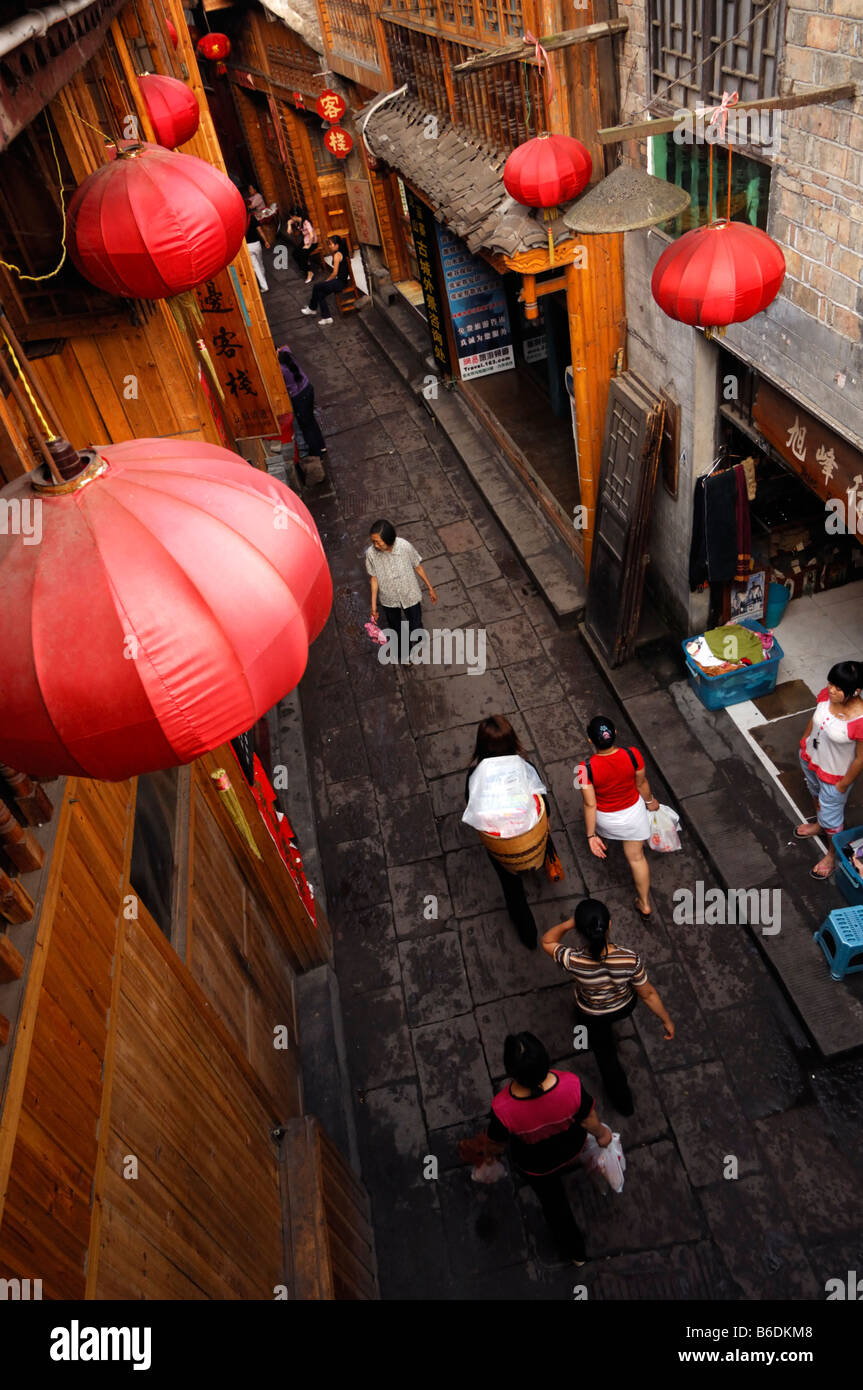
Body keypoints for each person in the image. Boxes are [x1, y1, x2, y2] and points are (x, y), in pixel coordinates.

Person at [485, 1032, 612, 1265]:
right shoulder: (570, 1085)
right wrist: (603, 1134)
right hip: (572, 1145)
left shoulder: (502, 1108)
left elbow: (497, 1142)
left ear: (511, 1071)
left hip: (536, 1164)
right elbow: (588, 1119)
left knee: (555, 1206)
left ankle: (576, 1253)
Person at [542, 898, 674, 1116]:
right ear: (609, 925)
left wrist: (567, 924)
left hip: (592, 1012)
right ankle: (625, 1104)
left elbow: (547, 941)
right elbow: (648, 994)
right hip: (623, 1006)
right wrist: (666, 1019)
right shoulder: (630, 959)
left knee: (606, 1056)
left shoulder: (572, 960)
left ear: (580, 931)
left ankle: (622, 1102)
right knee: (606, 1036)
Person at [464, 715, 560, 950]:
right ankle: (547, 860)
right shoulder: (524, 766)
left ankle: (528, 935)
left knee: (512, 887)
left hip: (503, 846)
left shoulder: (474, 776)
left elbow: (473, 807)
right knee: (543, 833)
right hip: (531, 834)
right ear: (512, 740)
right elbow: (542, 804)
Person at [578, 715, 660, 920]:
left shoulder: (583, 769)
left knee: (604, 831)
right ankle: (645, 903)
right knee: (636, 858)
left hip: (607, 818)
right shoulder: (633, 754)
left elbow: (590, 804)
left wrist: (591, 835)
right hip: (633, 814)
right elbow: (641, 784)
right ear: (615, 733)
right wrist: (650, 801)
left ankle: (604, 838)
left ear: (590, 740)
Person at [796, 660, 863, 880]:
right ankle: (818, 824)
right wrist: (804, 740)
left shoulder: (860, 720)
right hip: (812, 759)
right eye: (831, 683)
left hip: (835, 775)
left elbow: (860, 759)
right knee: (815, 794)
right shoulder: (826, 695)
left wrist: (843, 784)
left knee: (833, 819)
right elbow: (815, 718)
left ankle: (832, 855)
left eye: (839, 688)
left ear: (856, 691)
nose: (832, 690)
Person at [366, 519, 437, 664]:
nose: (375, 545)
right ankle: (405, 655)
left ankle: (417, 638)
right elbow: (374, 579)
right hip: (389, 599)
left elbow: (417, 566)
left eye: (378, 542)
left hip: (410, 594)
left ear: (389, 539)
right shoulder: (371, 554)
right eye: (373, 541)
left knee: (415, 623)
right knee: (397, 629)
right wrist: (373, 605)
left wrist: (430, 587)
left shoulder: (404, 546)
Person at [276, 346, 326, 460]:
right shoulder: (287, 353)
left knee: (306, 427)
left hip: (298, 397)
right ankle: (321, 446)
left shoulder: (279, 369)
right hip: (308, 388)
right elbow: (285, 346)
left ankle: (316, 454)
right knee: (311, 420)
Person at [301, 235, 351, 325]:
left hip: (339, 282)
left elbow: (334, 273)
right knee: (320, 293)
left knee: (317, 286)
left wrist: (327, 281)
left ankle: (312, 308)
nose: (329, 246)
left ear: (337, 245)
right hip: (341, 281)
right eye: (329, 244)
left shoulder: (337, 255)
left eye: (331, 244)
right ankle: (326, 317)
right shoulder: (341, 253)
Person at [287, 209, 318, 283]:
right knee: (294, 254)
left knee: (302, 254)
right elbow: (289, 221)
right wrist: (289, 226)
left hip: (312, 242)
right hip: (305, 241)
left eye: (291, 216)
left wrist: (309, 245)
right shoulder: (298, 220)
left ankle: (309, 272)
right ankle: (304, 267)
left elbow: (311, 235)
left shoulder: (306, 222)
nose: (291, 218)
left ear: (294, 216)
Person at [245, 214, 268, 293]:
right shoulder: (251, 217)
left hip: (247, 246)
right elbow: (260, 230)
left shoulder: (239, 220)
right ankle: (263, 279)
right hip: (257, 244)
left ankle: (264, 286)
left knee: (256, 267)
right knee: (260, 263)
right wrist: (265, 241)